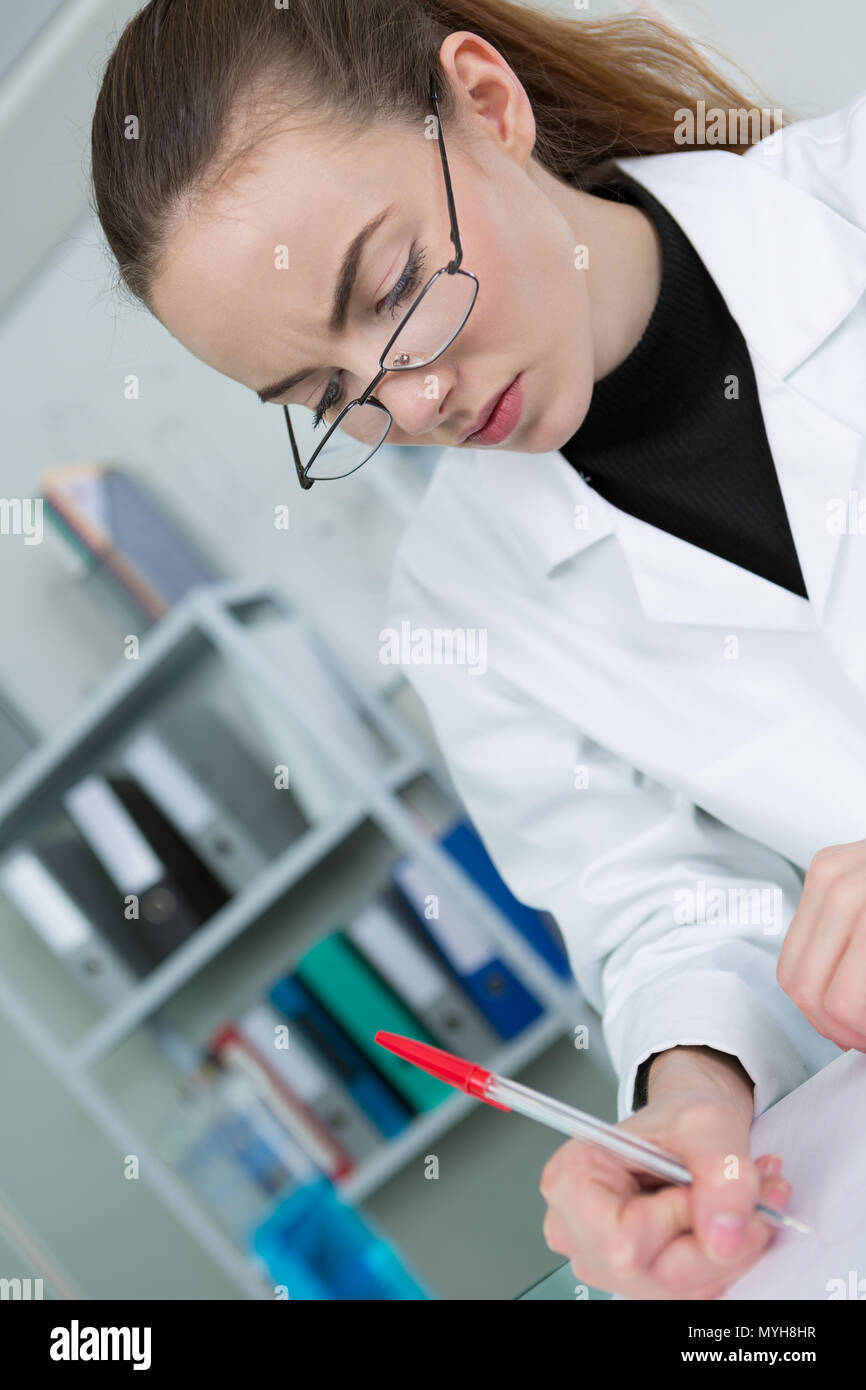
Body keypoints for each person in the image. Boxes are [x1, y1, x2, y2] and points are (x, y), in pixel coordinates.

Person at [90, 0, 866, 1300]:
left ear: (487, 105)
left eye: (393, 288)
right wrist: (689, 1094)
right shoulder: (462, 593)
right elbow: (662, 905)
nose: (411, 399)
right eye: (327, 397)